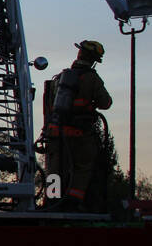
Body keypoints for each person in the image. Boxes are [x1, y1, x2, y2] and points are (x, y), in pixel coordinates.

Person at [42, 40, 113, 211]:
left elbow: (49, 106)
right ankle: (73, 202)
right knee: (82, 167)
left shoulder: (59, 78)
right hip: (79, 134)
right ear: (94, 59)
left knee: (54, 168)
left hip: (55, 133)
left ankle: (52, 200)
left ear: (79, 54)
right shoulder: (91, 78)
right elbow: (106, 103)